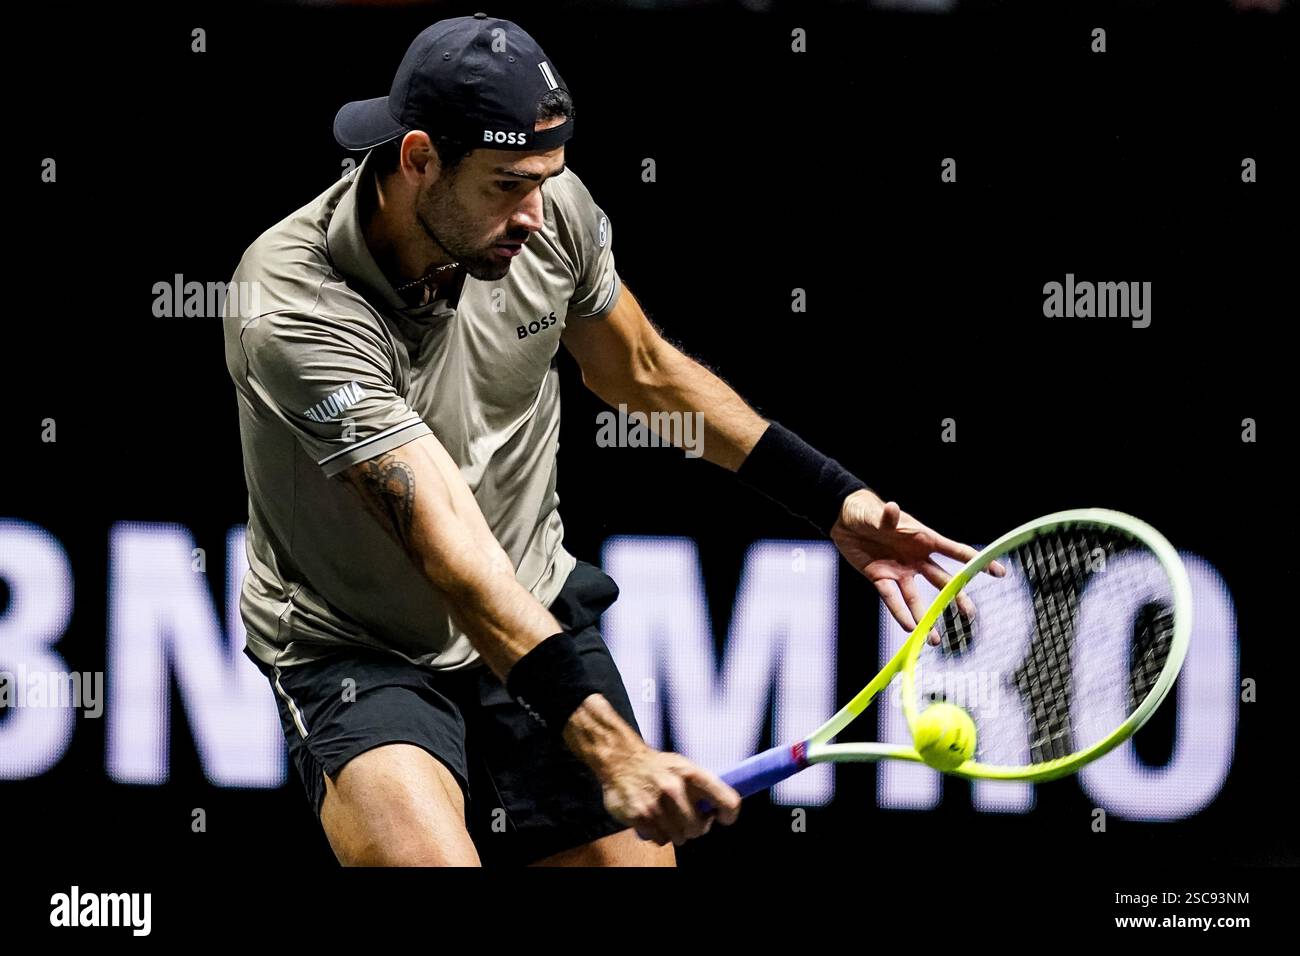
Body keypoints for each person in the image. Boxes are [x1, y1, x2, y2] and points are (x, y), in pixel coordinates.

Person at [223, 13, 993, 867]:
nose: (534, 213)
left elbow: (643, 372)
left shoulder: (549, 218)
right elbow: (450, 551)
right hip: (356, 644)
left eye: (546, 181)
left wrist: (832, 499)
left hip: (532, 602)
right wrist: (616, 753)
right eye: (508, 184)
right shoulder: (291, 302)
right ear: (417, 159)